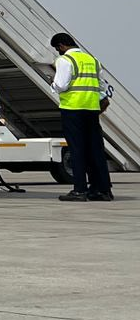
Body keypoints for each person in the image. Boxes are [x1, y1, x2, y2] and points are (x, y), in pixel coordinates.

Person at [50, 32, 113, 202]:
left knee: (77, 150)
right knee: (96, 150)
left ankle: (79, 190)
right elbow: (101, 86)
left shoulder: (65, 60)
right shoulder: (93, 60)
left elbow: (61, 85)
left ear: (61, 46)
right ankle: (102, 190)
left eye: (57, 49)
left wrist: (52, 84)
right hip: (92, 109)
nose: (58, 52)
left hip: (73, 109)